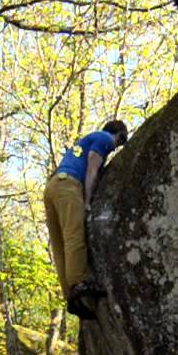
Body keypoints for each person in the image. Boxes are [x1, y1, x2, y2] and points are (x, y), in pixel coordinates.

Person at [44, 119, 129, 320]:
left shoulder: (87, 140)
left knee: (59, 244)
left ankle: (70, 296)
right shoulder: (104, 139)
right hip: (69, 186)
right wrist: (88, 200)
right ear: (118, 134)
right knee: (74, 234)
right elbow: (91, 169)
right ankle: (78, 284)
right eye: (122, 140)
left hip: (53, 186)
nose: (118, 146)